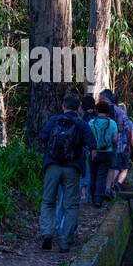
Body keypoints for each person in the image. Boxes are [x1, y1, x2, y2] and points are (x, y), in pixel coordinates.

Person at [39, 93, 96, 250]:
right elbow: (92, 143)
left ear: (63, 106)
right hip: (72, 168)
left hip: (52, 166)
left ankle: (47, 233)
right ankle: (64, 241)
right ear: (78, 108)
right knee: (71, 205)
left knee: (48, 201)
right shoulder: (81, 124)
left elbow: (43, 136)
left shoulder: (53, 120)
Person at [87, 98, 118, 206]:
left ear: (96, 110)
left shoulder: (91, 122)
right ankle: (98, 200)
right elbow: (115, 139)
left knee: (93, 174)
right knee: (101, 175)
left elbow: (88, 138)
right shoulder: (113, 123)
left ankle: (92, 196)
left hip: (93, 152)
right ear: (108, 111)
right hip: (107, 152)